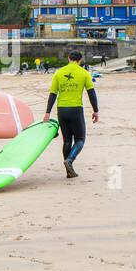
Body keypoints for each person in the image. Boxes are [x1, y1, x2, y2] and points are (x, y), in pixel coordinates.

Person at [42, 50, 100, 178]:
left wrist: (47, 112)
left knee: (67, 141)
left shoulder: (59, 73)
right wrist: (96, 110)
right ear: (80, 60)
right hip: (76, 110)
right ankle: (70, 160)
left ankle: (69, 171)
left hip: (61, 110)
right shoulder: (84, 73)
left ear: (68, 58)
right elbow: (91, 93)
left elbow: (53, 94)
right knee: (80, 139)